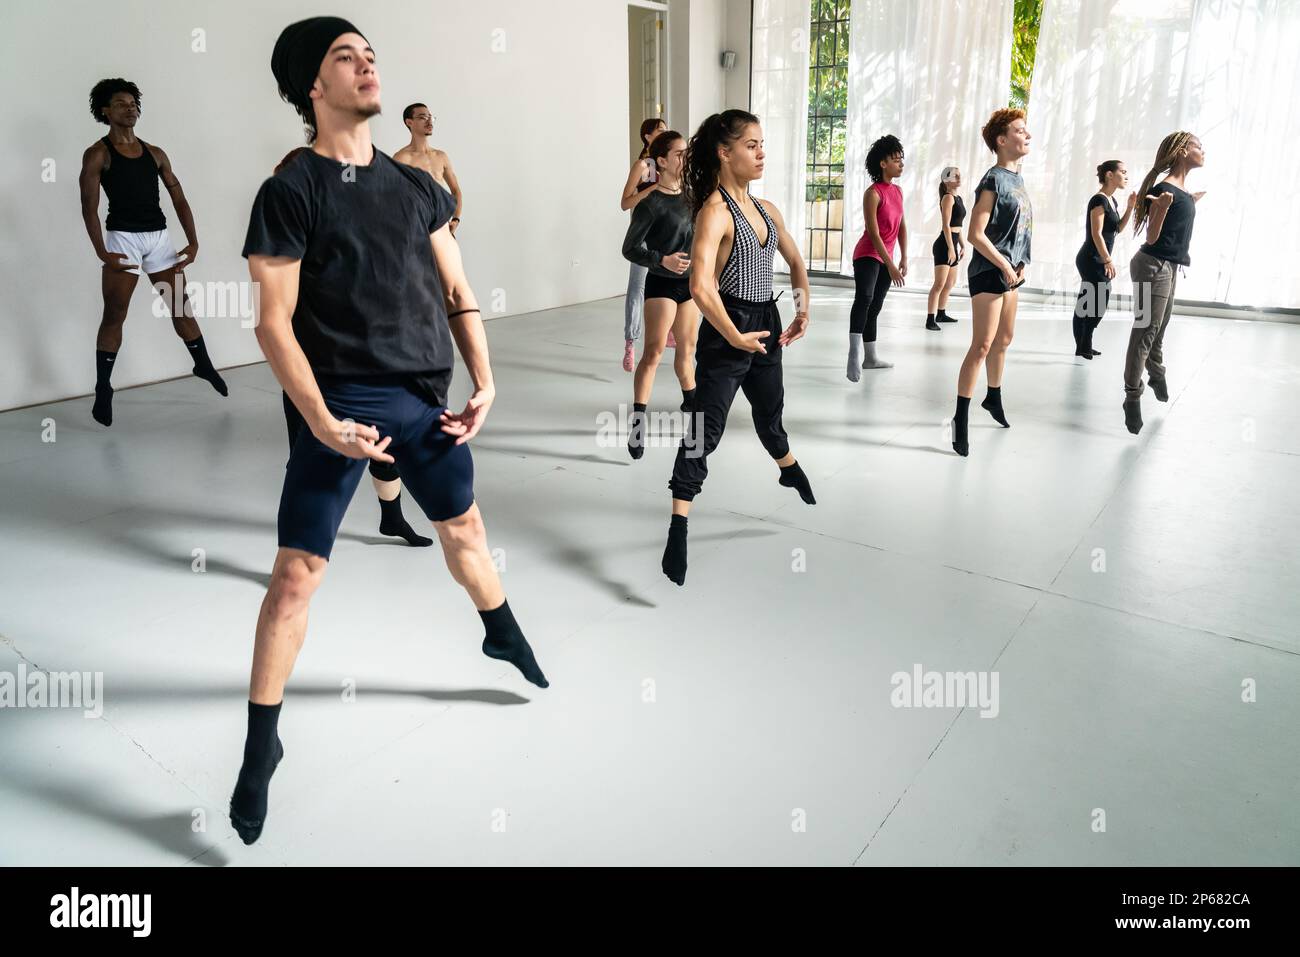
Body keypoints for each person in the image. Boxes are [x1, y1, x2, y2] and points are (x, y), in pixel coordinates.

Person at [231, 16, 548, 847]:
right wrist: (323, 422)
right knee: (296, 575)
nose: (367, 66)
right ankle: (262, 743)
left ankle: (499, 629)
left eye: (371, 55)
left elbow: (457, 286)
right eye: (347, 57)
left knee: (466, 529)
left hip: (425, 397)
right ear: (312, 85)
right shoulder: (291, 187)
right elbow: (273, 324)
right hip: (338, 404)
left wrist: (486, 377)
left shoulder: (417, 186)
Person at [661, 110, 813, 587]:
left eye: (762, 143)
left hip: (765, 322)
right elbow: (700, 286)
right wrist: (733, 336)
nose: (761, 151)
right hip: (729, 328)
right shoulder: (714, 211)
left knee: (771, 416)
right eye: (751, 144)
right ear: (725, 153)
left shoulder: (768, 209)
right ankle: (678, 525)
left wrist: (802, 308)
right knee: (704, 429)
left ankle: (788, 469)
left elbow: (794, 260)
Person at [271, 147, 431, 546]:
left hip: (368, 367)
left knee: (382, 448)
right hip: (312, 370)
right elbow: (275, 321)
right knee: (307, 465)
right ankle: (297, 556)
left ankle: (391, 518)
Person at [79, 78, 227, 427]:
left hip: (158, 238)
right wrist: (102, 250)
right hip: (123, 240)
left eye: (132, 103)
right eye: (120, 103)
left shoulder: (155, 152)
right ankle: (104, 386)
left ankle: (202, 363)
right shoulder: (98, 153)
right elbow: (88, 207)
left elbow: (179, 197)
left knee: (180, 307)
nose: (129, 108)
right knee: (115, 313)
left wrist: (193, 241)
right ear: (105, 110)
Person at [952, 108, 1032, 457]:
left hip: (1011, 271)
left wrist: (1021, 263)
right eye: (1019, 130)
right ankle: (960, 418)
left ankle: (994, 398)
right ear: (1002, 140)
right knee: (982, 345)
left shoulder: (1019, 179)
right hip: (989, 271)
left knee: (1004, 340)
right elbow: (975, 233)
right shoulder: (993, 179)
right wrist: (1003, 263)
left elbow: (1022, 230)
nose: (1027, 135)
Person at [621, 130, 699, 459]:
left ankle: (694, 414)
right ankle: (638, 421)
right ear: (662, 161)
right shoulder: (650, 202)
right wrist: (661, 259)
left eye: (686, 152)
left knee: (687, 353)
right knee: (653, 352)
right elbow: (629, 248)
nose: (685, 158)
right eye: (679, 154)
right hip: (662, 283)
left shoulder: (695, 195)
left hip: (690, 285)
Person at [1122, 132, 1205, 433]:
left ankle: (1155, 372)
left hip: (1168, 267)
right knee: (1144, 329)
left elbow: (1174, 229)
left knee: (1160, 326)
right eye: (1198, 147)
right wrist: (1160, 209)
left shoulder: (1179, 190)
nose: (1203, 151)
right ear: (1183, 151)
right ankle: (1132, 395)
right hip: (1150, 267)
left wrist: (1188, 203)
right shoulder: (1163, 190)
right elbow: (1152, 238)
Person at [846, 134, 906, 380]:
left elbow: (902, 225)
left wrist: (904, 257)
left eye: (902, 159)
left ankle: (870, 358)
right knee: (865, 298)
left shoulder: (898, 191)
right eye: (896, 159)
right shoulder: (873, 193)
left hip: (887, 258)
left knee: (876, 306)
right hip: (868, 254)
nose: (901, 163)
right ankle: (853, 353)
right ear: (883, 164)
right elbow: (873, 232)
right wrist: (890, 264)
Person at [618, 118, 667, 371]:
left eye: (666, 130)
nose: (665, 133)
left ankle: (667, 331)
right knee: (637, 288)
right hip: (644, 235)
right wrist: (653, 188)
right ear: (647, 137)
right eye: (660, 130)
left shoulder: (668, 163)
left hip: (667, 233)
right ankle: (630, 342)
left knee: (670, 282)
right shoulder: (642, 165)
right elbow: (625, 203)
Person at [1073, 160, 1135, 359]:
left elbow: (1117, 229)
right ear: (1110, 175)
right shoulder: (1099, 200)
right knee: (1096, 301)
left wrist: (1130, 208)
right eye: (1123, 172)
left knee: (1091, 301)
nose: (1126, 176)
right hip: (1092, 258)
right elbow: (1096, 233)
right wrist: (1107, 259)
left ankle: (1083, 344)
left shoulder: (1111, 201)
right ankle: (1084, 344)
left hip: (1098, 258)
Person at [392, 103, 462, 236]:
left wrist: (456, 219)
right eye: (423, 117)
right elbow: (392, 197)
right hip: (416, 227)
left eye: (430, 117)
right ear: (409, 122)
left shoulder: (441, 156)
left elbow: (455, 190)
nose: (429, 121)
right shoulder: (402, 158)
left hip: (442, 225)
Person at [925, 166, 965, 331]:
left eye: (959, 175)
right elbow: (946, 226)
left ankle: (941, 313)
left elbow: (958, 226)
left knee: (950, 282)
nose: (958, 178)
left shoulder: (959, 198)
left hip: (953, 244)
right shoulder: (948, 198)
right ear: (946, 181)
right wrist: (950, 248)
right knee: (939, 284)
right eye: (955, 176)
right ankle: (930, 319)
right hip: (944, 245)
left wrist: (961, 245)